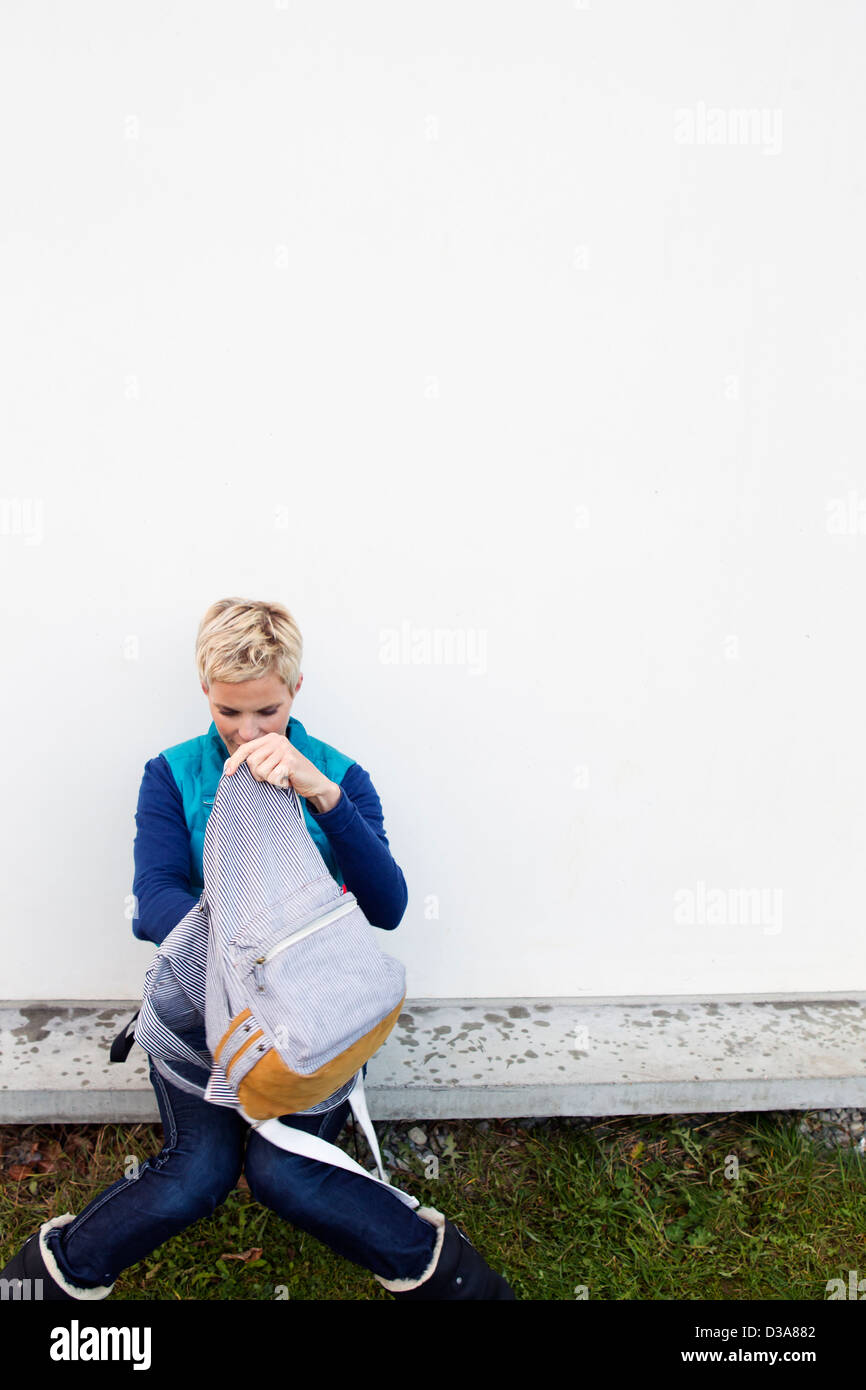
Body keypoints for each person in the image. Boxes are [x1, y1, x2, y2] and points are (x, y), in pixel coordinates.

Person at [0, 597, 515, 1301]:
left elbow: (388, 906)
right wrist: (249, 956)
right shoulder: (171, 773)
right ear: (205, 696)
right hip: (207, 1014)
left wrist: (324, 795)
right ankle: (37, 1285)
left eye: (266, 712)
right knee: (195, 1175)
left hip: (311, 1013)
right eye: (227, 713)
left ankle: (454, 1280)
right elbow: (151, 899)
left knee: (286, 1174)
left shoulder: (339, 773)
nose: (247, 732)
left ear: (296, 692)